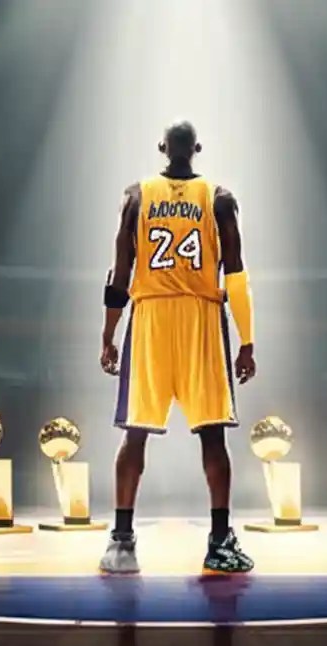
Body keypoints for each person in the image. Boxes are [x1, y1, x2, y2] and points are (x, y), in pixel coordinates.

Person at [98, 120, 257, 575]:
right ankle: (220, 541)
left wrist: (109, 335)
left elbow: (120, 275)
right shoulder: (219, 197)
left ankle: (122, 542)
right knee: (213, 434)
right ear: (197, 148)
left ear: (162, 147)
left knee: (135, 432)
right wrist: (246, 341)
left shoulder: (136, 196)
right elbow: (237, 275)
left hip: (150, 317)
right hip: (200, 317)